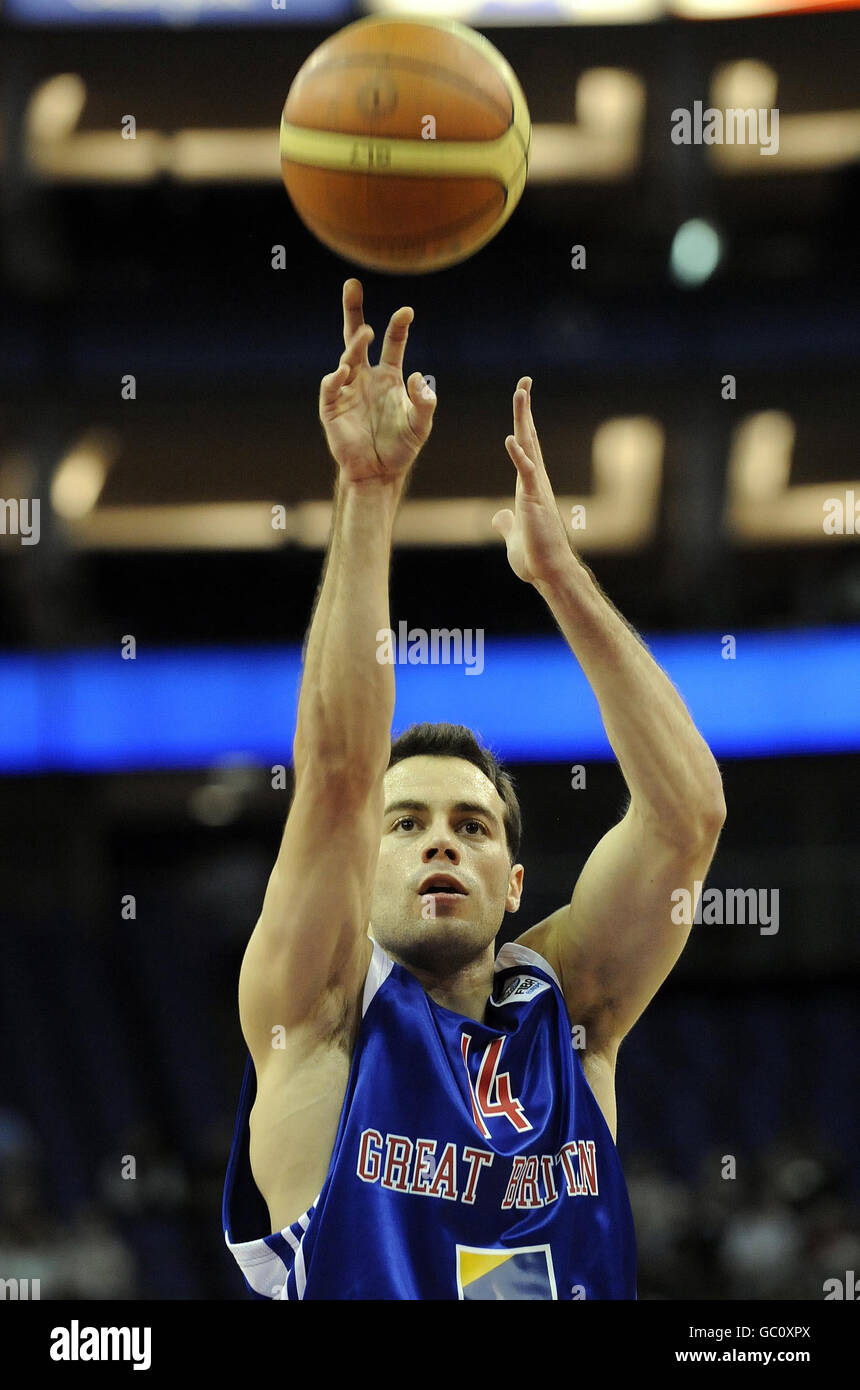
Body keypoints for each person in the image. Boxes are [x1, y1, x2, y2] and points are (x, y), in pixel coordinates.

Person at [222, 279, 726, 1300]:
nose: (440, 842)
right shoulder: (317, 1021)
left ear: (512, 883)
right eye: (405, 824)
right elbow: (335, 774)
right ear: (361, 872)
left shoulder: (568, 1012)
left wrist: (559, 578)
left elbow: (685, 821)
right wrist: (366, 494)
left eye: (470, 825)